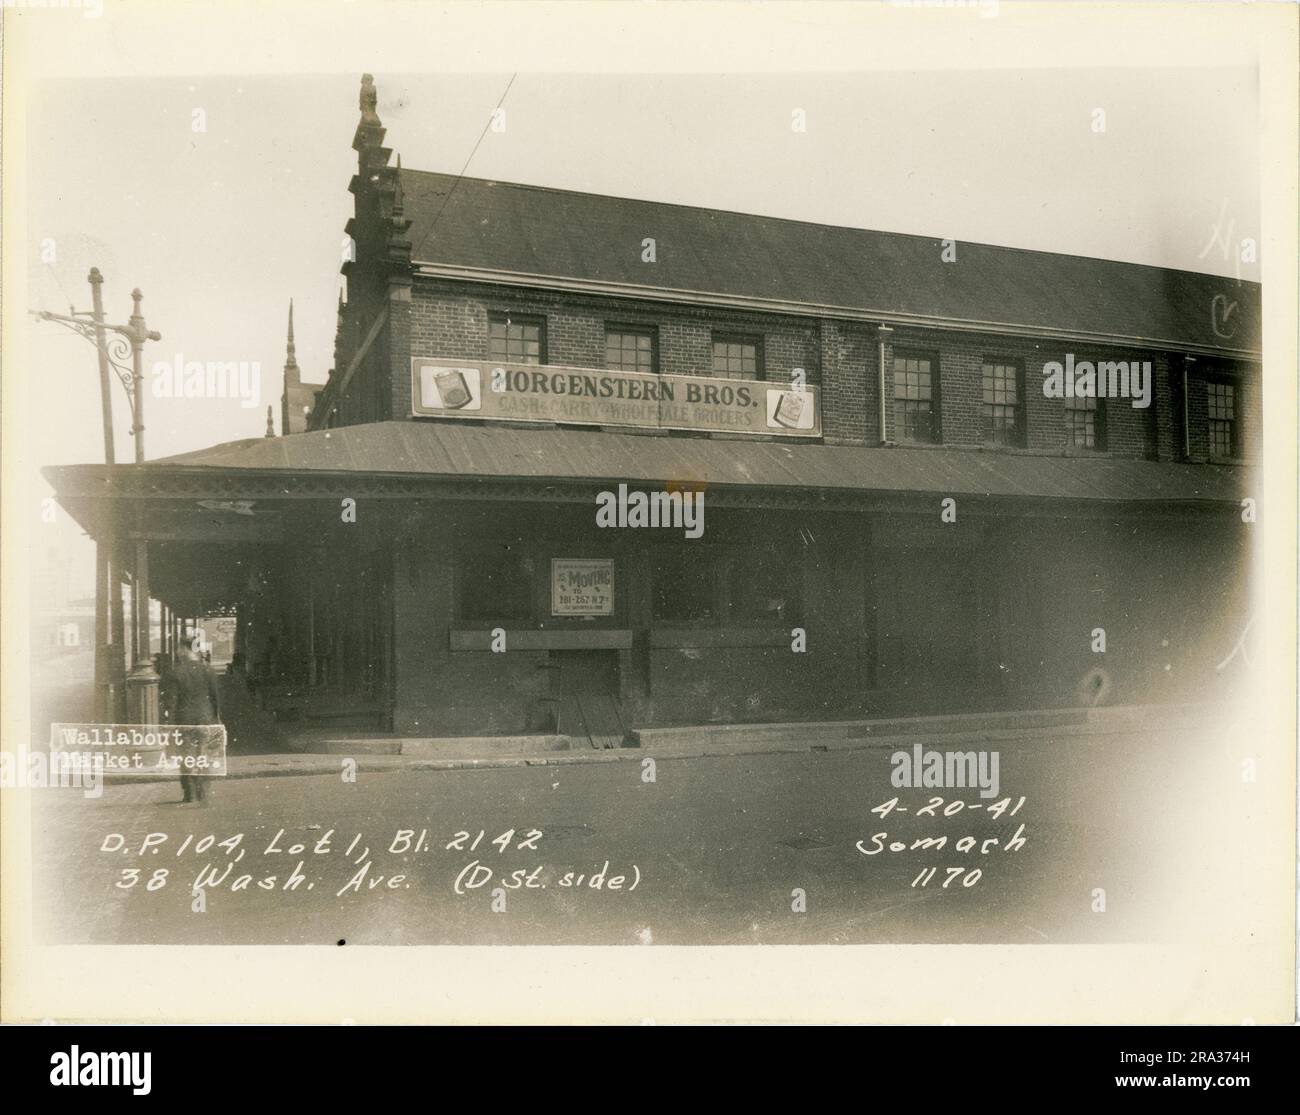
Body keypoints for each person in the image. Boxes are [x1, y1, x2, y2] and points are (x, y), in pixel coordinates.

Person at [161, 633, 222, 805]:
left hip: (184, 720)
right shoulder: (208, 670)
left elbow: (171, 702)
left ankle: (189, 793)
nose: (177, 652)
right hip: (205, 718)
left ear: (184, 649)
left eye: (179, 648)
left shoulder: (176, 673)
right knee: (204, 754)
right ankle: (203, 790)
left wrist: (169, 724)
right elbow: (215, 697)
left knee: (186, 756)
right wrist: (216, 718)